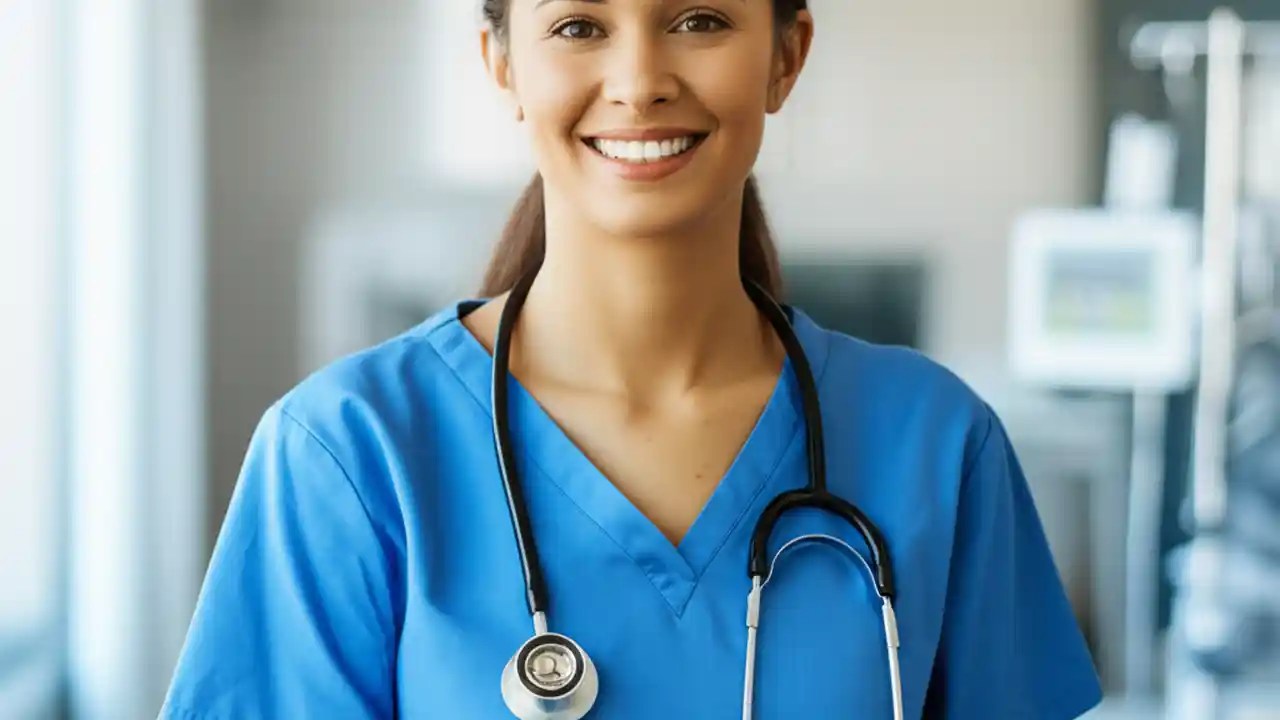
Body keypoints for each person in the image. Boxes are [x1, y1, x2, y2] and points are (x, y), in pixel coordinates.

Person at [161, 0, 1104, 717]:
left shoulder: (934, 441)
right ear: (502, 65)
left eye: (697, 19)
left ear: (786, 55)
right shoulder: (348, 452)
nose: (640, 78)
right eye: (578, 26)